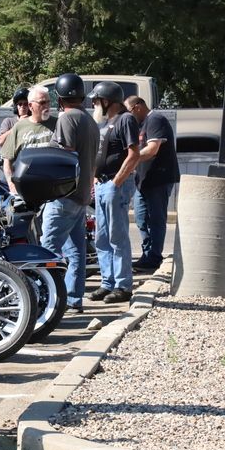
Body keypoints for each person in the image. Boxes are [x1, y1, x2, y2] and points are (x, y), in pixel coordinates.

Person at [38, 73, 99, 314]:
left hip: (64, 196)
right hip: (81, 195)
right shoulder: (89, 120)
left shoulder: (67, 119)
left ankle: (49, 303)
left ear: (60, 98)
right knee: (76, 251)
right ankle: (73, 299)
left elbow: (65, 155)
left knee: (47, 249)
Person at [89, 82, 141, 304]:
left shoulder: (126, 119)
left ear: (107, 100)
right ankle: (107, 282)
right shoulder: (105, 122)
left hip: (115, 184)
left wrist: (116, 181)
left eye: (96, 99)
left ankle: (123, 285)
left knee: (116, 235)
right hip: (102, 184)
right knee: (101, 237)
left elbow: (134, 153)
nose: (93, 103)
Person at [125, 95, 179, 273]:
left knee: (156, 219)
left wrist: (131, 160)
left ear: (138, 106)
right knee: (141, 218)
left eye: (129, 111)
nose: (128, 116)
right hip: (143, 180)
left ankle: (154, 257)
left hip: (159, 178)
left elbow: (152, 148)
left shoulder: (156, 119)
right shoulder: (140, 125)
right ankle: (147, 254)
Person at [0, 85, 57, 195]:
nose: (47, 106)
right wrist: (12, 185)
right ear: (31, 106)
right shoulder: (18, 127)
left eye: (48, 102)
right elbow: (7, 161)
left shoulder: (58, 124)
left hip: (52, 190)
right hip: (25, 190)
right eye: (42, 103)